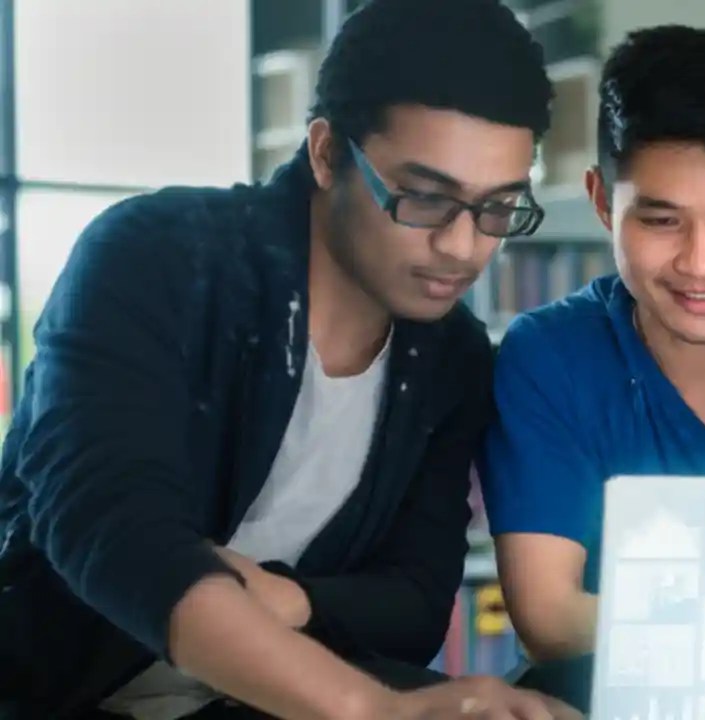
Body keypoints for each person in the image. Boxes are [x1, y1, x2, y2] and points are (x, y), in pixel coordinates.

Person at [0, 1, 580, 718]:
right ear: (327, 151)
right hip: (52, 688)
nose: (465, 247)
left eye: (498, 208)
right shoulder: (157, 257)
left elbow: (415, 602)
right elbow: (109, 526)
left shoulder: (450, 354)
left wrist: (291, 598)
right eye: (427, 199)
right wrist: (367, 709)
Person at [480, 24, 705, 708]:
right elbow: (550, 621)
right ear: (600, 201)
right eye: (661, 222)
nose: (701, 263)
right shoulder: (548, 357)